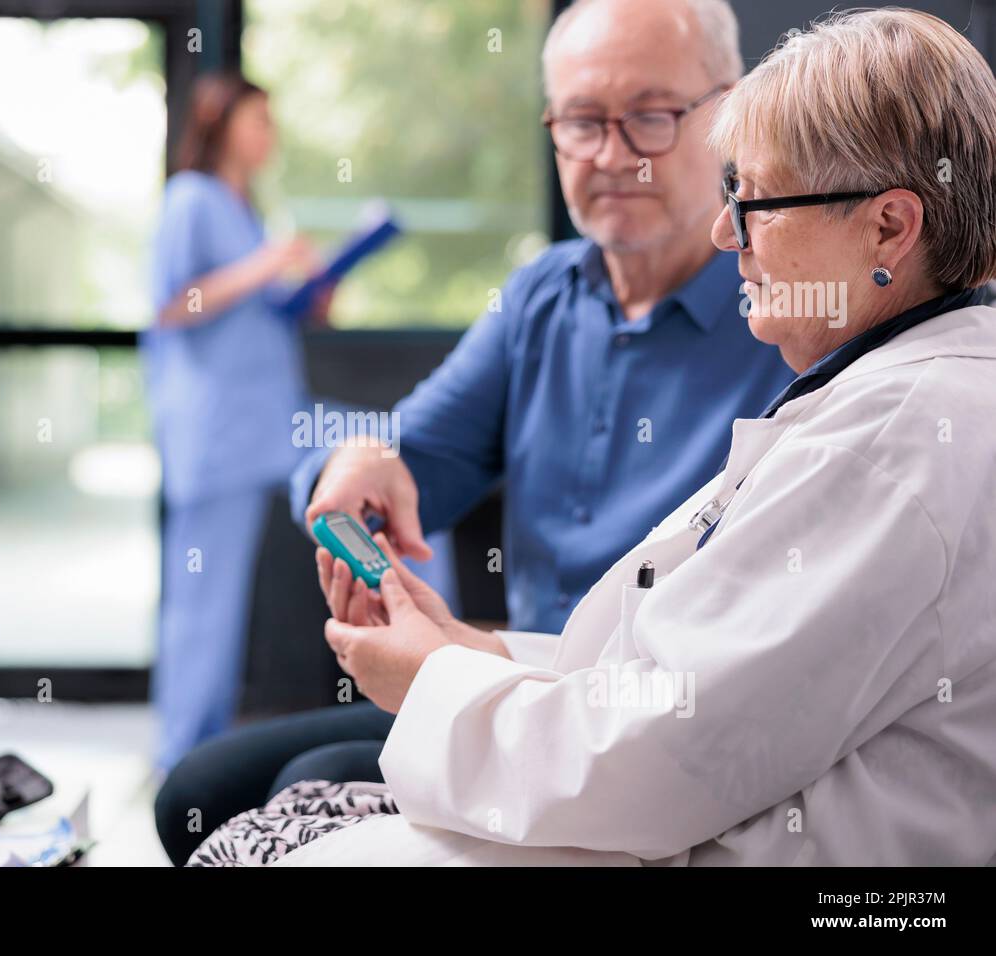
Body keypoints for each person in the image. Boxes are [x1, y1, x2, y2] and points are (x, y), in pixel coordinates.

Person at [201, 6, 996, 867]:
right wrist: (365, 471)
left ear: (888, 228)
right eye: (581, 121)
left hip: (604, 756)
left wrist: (442, 675)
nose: (613, 155)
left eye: (652, 117)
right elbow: (399, 459)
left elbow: (664, 749)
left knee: (273, 811)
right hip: (561, 707)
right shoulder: (552, 298)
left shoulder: (855, 404)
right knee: (220, 792)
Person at [146, 72, 328, 771]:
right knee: (205, 603)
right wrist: (265, 266)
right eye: (258, 120)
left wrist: (309, 288)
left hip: (274, 418)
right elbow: (173, 305)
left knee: (386, 455)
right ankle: (184, 762)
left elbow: (256, 309)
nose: (269, 136)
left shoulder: (246, 209)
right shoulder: (190, 200)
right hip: (217, 429)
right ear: (220, 124)